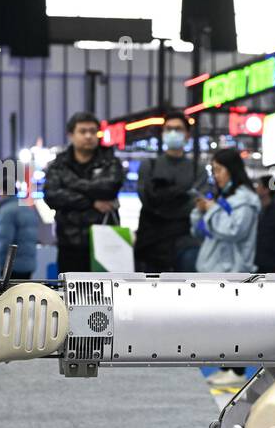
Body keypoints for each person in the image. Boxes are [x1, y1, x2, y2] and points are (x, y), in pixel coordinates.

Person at [191, 148, 261, 387]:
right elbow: (204, 232)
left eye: (219, 169)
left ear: (232, 169)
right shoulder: (224, 198)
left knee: (234, 323)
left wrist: (211, 211)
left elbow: (233, 231)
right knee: (220, 322)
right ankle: (225, 366)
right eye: (214, 170)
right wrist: (201, 212)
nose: (216, 175)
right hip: (216, 269)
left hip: (234, 270)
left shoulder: (245, 200)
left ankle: (237, 369)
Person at [42, 111, 125, 274]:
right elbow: (52, 196)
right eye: (83, 131)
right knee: (70, 296)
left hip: (107, 243)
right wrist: (92, 202)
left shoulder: (110, 161)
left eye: (93, 131)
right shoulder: (59, 164)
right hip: (69, 243)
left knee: (106, 296)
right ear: (71, 135)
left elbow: (109, 187)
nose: (88, 136)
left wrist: (71, 184)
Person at [133, 114, 201, 273]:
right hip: (151, 245)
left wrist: (162, 198)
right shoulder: (149, 166)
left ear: (187, 135)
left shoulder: (198, 169)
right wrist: (181, 196)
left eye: (178, 129)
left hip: (185, 244)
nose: (173, 133)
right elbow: (146, 200)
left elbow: (195, 203)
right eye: (168, 129)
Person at [0, 161, 39, 280]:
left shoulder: (6, 211)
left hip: (12, 266)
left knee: (9, 296)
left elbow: (5, 240)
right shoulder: (27, 208)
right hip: (28, 264)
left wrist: (2, 263)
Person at [254, 175, 275, 273]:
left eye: (259, 185)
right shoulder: (256, 210)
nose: (256, 187)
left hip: (271, 266)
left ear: (266, 190)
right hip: (254, 264)